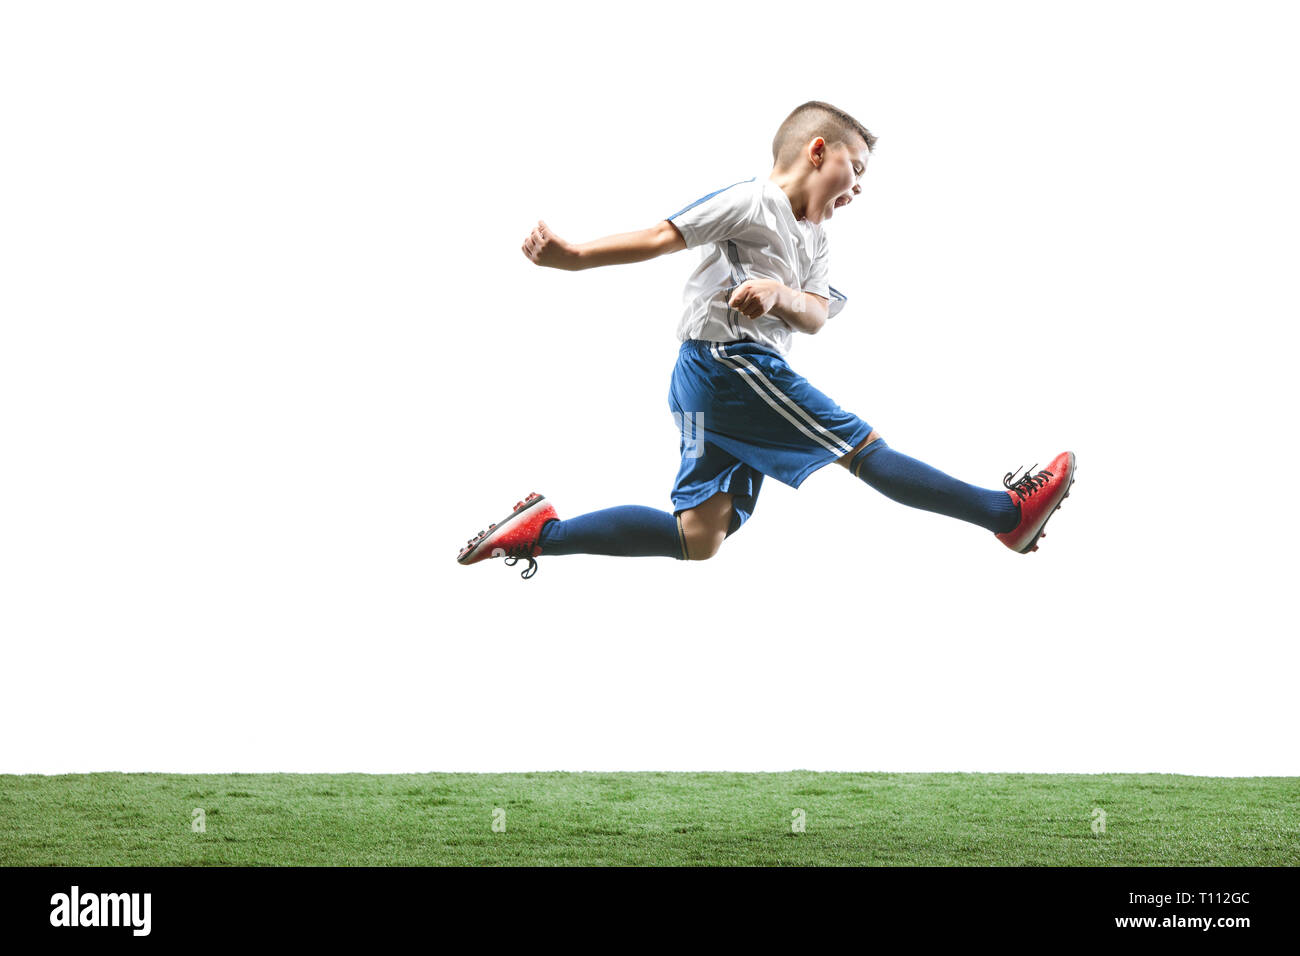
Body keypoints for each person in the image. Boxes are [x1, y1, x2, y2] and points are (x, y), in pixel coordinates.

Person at [457, 101, 1074, 579]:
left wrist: (779, 295)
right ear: (815, 150)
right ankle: (1006, 515)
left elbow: (814, 314)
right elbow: (659, 236)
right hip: (728, 365)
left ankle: (542, 532)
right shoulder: (752, 203)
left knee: (699, 537)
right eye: (853, 168)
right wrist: (572, 257)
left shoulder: (817, 240)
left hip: (702, 389)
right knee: (860, 446)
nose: (858, 186)